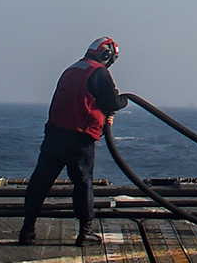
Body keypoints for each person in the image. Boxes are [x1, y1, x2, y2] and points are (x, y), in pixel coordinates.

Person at [18, 37, 128, 247]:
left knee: (39, 182)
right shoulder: (99, 72)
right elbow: (112, 101)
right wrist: (124, 101)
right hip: (79, 138)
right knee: (83, 183)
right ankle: (85, 232)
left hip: (54, 135)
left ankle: (27, 230)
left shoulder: (72, 69)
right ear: (106, 56)